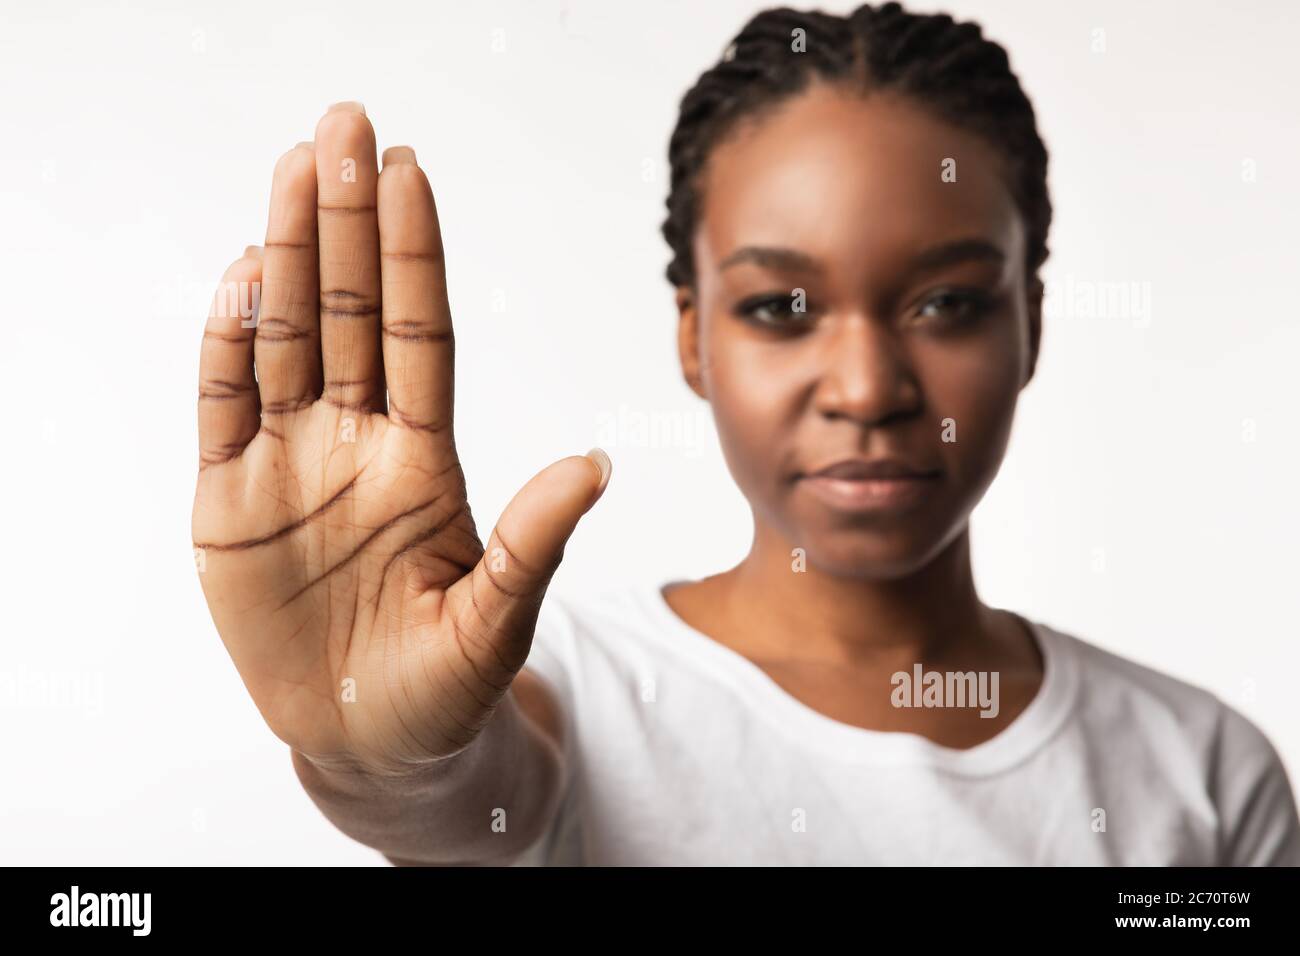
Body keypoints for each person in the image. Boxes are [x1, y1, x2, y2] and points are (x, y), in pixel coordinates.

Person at [191, 2, 1300, 865]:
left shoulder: (1201, 776)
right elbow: (470, 796)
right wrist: (385, 756)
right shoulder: (571, 691)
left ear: (1031, 322)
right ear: (694, 337)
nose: (866, 387)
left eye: (947, 301)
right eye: (779, 307)